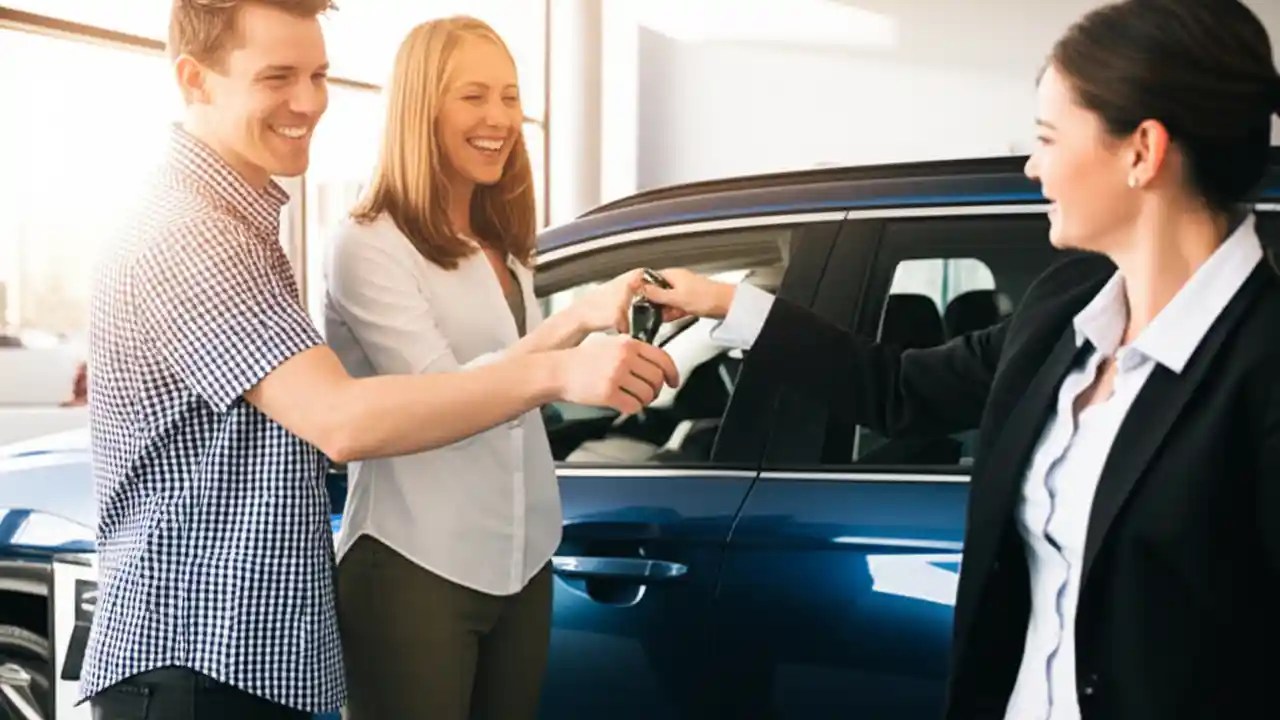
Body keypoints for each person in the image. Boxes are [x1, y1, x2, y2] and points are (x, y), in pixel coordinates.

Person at [642, 1, 1280, 718]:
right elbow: (896, 389)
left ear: (1142, 151)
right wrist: (726, 302)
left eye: (1047, 137)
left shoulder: (1263, 364)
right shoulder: (1063, 308)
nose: (1033, 165)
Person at [84, 2, 677, 719]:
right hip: (195, 662)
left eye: (317, 75)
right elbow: (343, 420)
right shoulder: (192, 233)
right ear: (194, 79)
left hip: (239, 658)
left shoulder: (239, 227)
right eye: (277, 77)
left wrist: (575, 326)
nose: (309, 102)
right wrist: (557, 371)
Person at [321, 16, 666, 719]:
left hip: (523, 558)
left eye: (509, 97)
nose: (500, 118)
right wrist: (568, 345)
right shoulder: (369, 242)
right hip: (416, 563)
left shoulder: (500, 243)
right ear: (422, 108)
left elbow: (506, 388)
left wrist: (586, 316)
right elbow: (441, 397)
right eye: (474, 96)